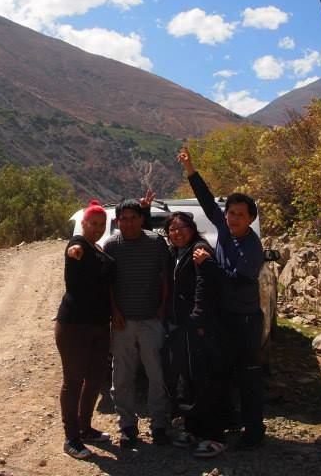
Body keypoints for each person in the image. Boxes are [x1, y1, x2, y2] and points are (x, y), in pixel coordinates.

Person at [178, 146, 267, 449]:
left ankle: (254, 433)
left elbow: (237, 283)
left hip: (245, 320)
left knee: (249, 377)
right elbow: (206, 201)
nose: (232, 219)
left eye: (240, 215)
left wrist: (208, 263)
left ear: (250, 218)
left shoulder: (252, 247)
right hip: (225, 318)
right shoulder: (226, 230)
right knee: (222, 372)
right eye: (230, 213)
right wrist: (191, 170)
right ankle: (228, 423)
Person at [103, 197, 172, 448]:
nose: (129, 223)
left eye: (134, 218)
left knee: (157, 375)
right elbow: (108, 284)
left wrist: (162, 309)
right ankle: (127, 425)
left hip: (151, 319)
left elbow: (165, 278)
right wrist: (115, 311)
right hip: (123, 322)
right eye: (124, 219)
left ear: (142, 219)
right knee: (122, 375)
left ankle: (160, 424)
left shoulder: (156, 243)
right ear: (117, 221)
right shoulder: (111, 246)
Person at [163, 211, 230, 458]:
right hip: (180, 326)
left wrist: (197, 318)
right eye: (172, 229)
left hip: (199, 327)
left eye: (182, 228)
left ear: (192, 229)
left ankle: (215, 436)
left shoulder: (199, 250)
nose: (177, 232)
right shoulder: (175, 253)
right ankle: (193, 428)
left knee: (205, 379)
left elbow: (205, 286)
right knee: (187, 379)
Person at [54, 200, 116, 460]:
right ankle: (71, 438)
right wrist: (75, 250)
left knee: (95, 379)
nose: (98, 228)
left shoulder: (98, 248)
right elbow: (74, 250)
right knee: (74, 381)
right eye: (93, 224)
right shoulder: (78, 244)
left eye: (102, 225)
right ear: (84, 224)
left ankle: (85, 427)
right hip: (74, 325)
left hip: (100, 325)